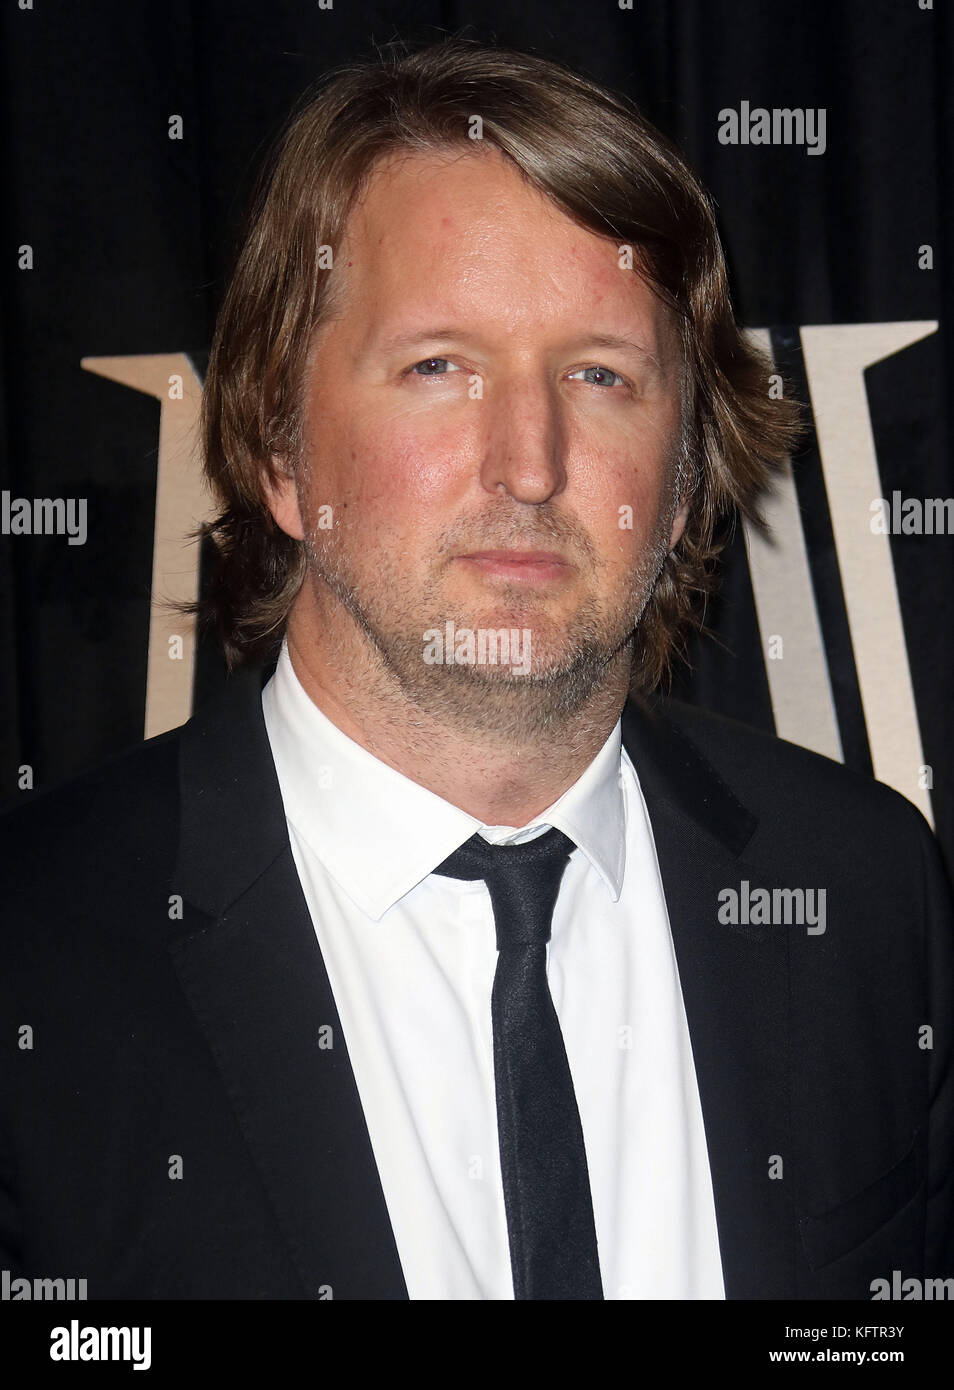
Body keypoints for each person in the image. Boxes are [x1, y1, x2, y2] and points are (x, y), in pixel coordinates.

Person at [1, 38, 951, 1302]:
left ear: (680, 485)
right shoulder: (39, 954)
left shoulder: (864, 898)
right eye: (438, 367)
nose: (529, 462)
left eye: (601, 375)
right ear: (279, 454)